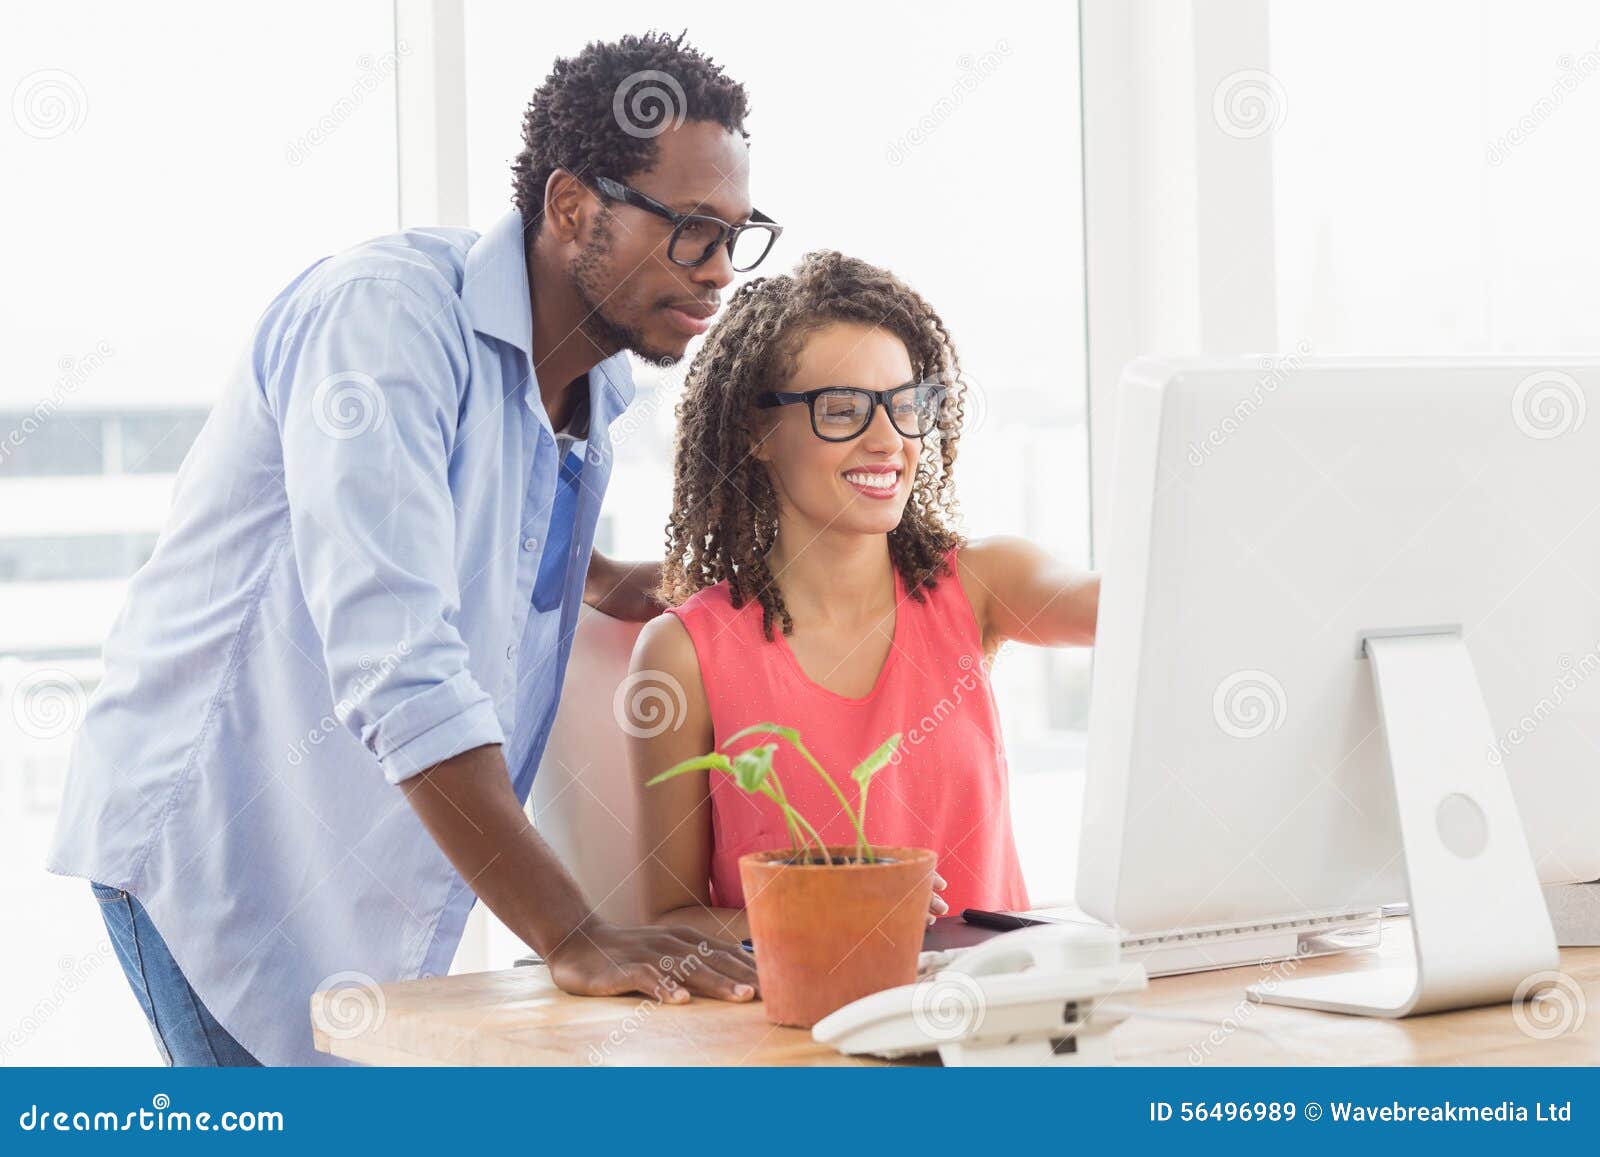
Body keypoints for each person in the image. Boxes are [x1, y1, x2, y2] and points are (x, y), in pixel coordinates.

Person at [48, 33, 776, 1066]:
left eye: (737, 236)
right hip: (220, 839)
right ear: (572, 206)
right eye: (692, 230)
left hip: (350, 859)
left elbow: (469, 529)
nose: (719, 271)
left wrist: (602, 576)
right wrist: (570, 931)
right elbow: (397, 656)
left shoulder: (592, 377)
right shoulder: (383, 320)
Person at [628, 251, 1099, 941]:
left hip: (1000, 1001)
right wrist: (831, 913)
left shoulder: (982, 584)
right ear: (758, 432)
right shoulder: (682, 655)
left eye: (905, 407)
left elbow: (1129, 610)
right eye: (843, 410)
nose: (888, 440)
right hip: (803, 1011)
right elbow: (667, 923)